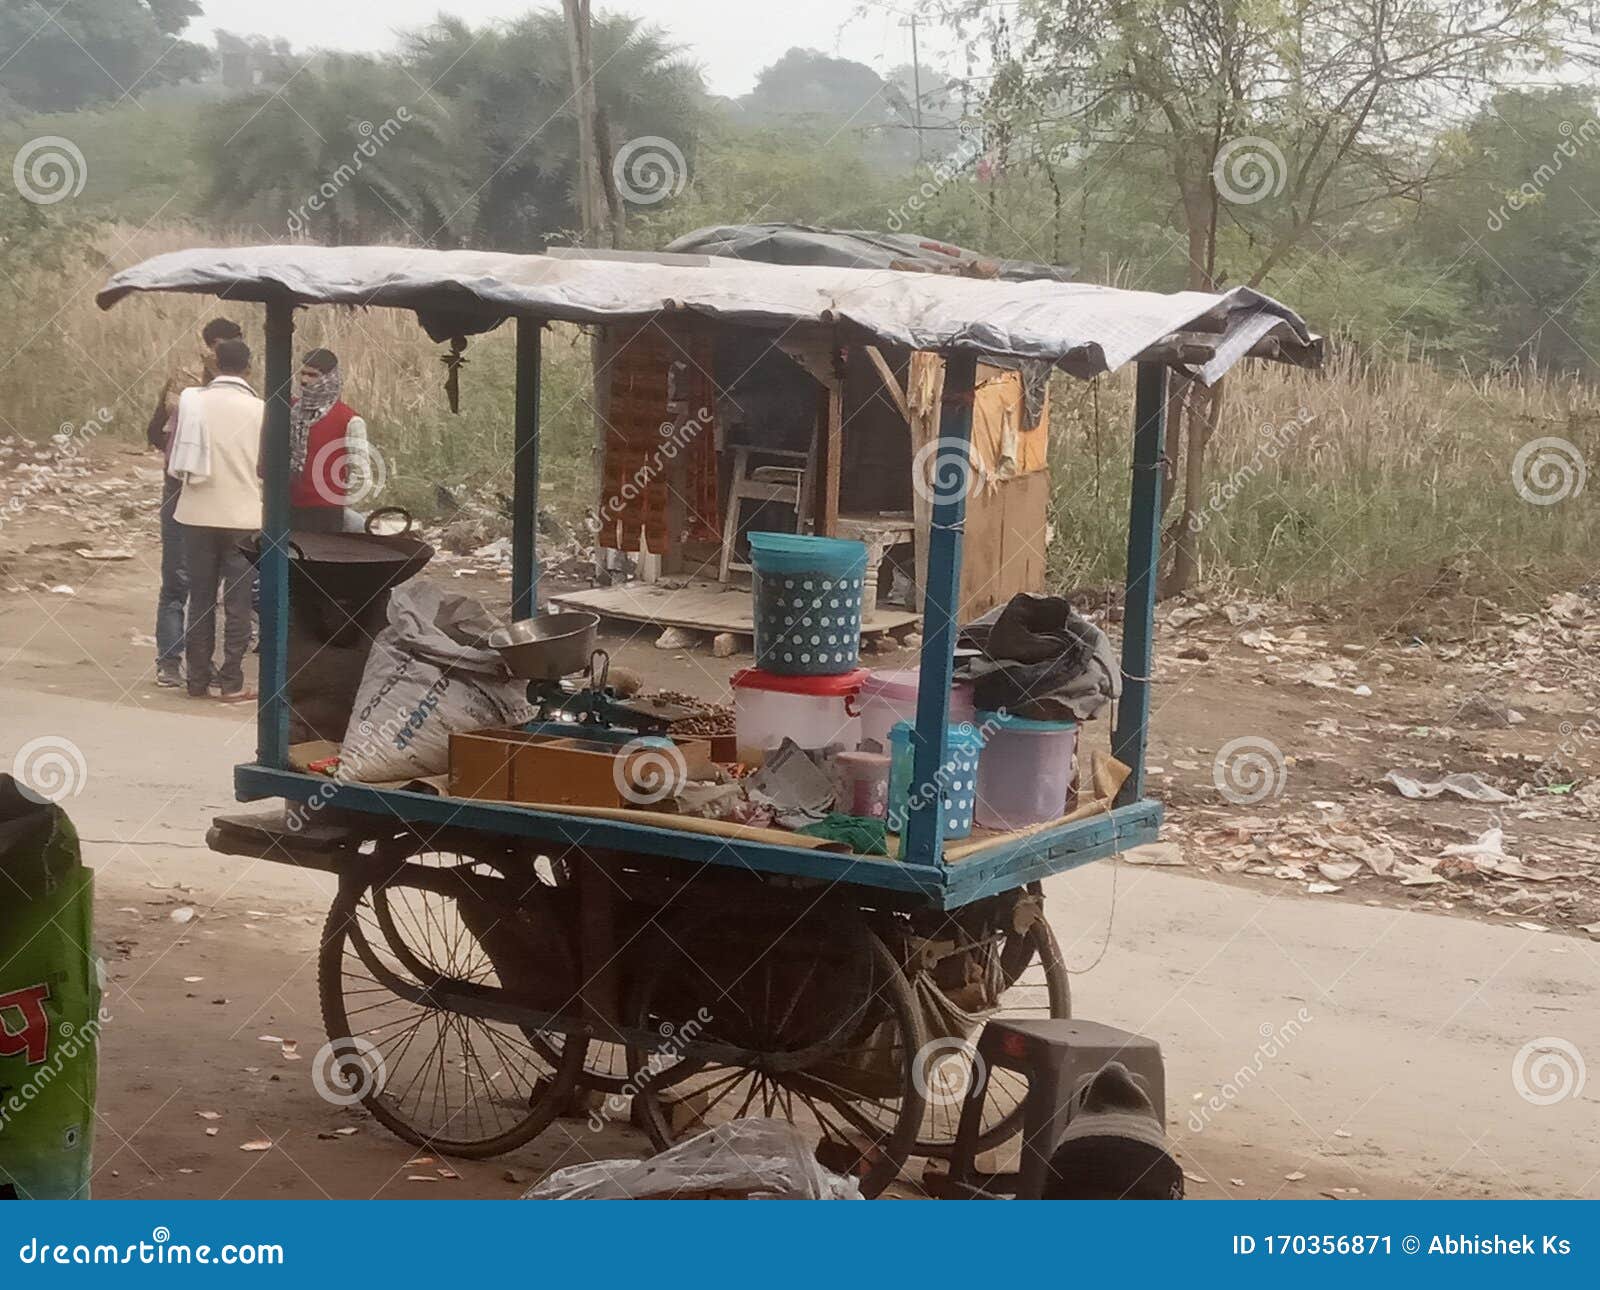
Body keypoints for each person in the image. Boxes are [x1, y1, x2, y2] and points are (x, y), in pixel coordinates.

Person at [144, 317, 243, 687]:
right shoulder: (193, 383)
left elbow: (155, 432)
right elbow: (157, 430)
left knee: (191, 581)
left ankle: (183, 663)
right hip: (198, 489)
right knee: (189, 581)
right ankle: (178, 661)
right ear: (214, 344)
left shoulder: (196, 382)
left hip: (190, 487)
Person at [168, 338, 264, 702]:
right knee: (238, 604)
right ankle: (231, 680)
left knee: (201, 599)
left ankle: (196, 679)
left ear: (214, 364)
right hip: (242, 516)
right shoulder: (261, 409)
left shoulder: (192, 403)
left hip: (196, 513)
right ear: (249, 368)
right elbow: (268, 465)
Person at [288, 348, 370, 532]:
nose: (305, 380)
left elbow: (360, 471)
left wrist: (341, 503)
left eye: (313, 375)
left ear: (329, 378)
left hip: (326, 513)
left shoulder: (349, 420)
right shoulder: (291, 411)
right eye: (303, 373)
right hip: (289, 506)